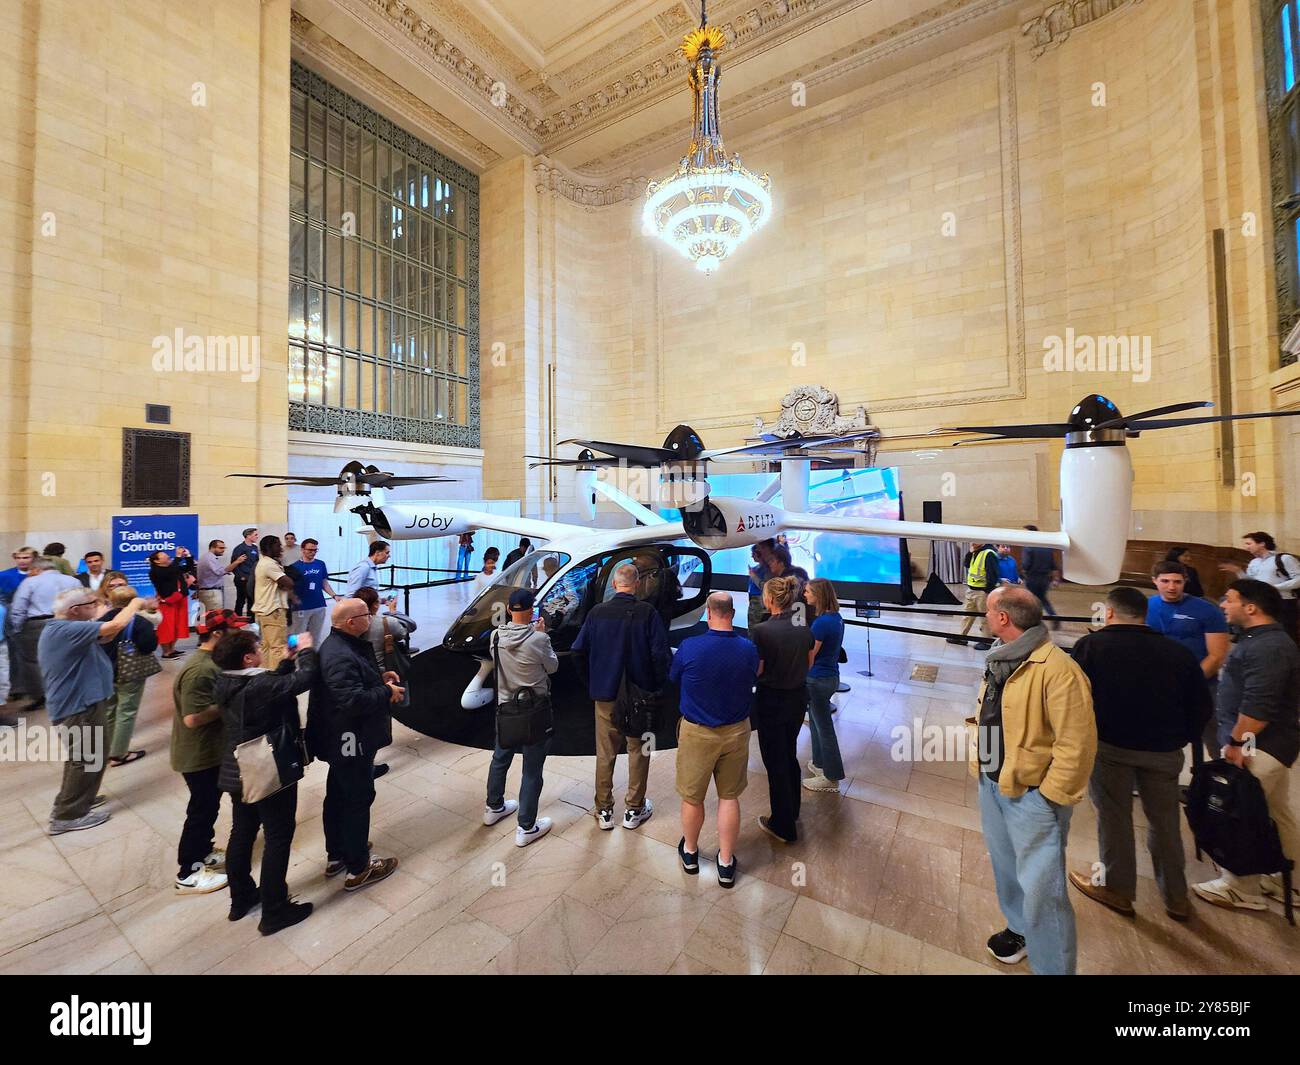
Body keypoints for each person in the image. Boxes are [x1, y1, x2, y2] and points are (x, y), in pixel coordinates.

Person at [970, 585, 1096, 975]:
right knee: (1006, 868)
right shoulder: (1000, 657)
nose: (986, 616)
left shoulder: (1058, 670)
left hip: (1031, 797)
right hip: (993, 782)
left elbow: (1076, 745)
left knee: (1045, 892)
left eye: (990, 611)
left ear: (1003, 618)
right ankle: (1019, 929)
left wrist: (1048, 797)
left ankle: (1054, 968)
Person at [1068, 587, 1211, 921]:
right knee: (1165, 823)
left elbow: (1073, 700)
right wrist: (1178, 737)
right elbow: (1201, 707)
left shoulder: (1091, 647)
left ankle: (1118, 889)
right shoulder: (1178, 654)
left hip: (1110, 749)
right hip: (1163, 751)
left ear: (1109, 613)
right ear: (1145, 615)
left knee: (1114, 818)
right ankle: (1176, 897)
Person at [1192, 580, 1300, 913]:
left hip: (1260, 746)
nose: (1223, 605)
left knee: (1238, 815)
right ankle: (1287, 883)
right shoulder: (1263, 640)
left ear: (1251, 608)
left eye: (1230, 600)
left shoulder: (1267, 647)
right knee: (1276, 812)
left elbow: (1258, 705)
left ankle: (1242, 887)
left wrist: (1239, 743)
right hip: (1272, 744)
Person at [214, 628, 317, 935]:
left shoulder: (226, 680)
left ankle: (241, 898)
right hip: (266, 766)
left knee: (242, 831)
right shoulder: (259, 684)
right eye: (256, 648)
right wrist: (306, 651)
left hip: (237, 769)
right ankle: (274, 910)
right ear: (248, 657)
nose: (260, 651)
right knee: (278, 835)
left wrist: (285, 663)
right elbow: (305, 680)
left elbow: (272, 688)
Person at [306, 598, 403, 891]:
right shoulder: (339, 654)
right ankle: (358, 867)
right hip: (349, 739)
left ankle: (339, 853)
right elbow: (350, 701)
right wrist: (386, 693)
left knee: (338, 794)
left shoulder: (341, 645)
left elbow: (352, 684)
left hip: (342, 739)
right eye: (366, 614)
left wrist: (378, 678)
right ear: (351, 622)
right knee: (357, 797)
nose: (371, 618)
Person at [571, 562, 670, 831]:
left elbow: (578, 652)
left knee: (605, 753)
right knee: (639, 750)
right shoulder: (647, 613)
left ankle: (603, 810)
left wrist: (592, 683)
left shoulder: (597, 613)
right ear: (636, 584)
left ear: (615, 584)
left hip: (605, 695)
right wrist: (657, 686)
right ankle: (634, 810)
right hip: (641, 696)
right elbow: (660, 654)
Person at [40, 588, 146, 834]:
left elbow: (107, 635)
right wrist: (135, 603)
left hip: (85, 702)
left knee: (92, 756)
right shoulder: (65, 629)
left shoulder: (70, 627)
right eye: (92, 603)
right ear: (74, 610)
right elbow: (115, 623)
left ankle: (79, 799)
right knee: (85, 758)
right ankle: (67, 815)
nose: (97, 606)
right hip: (77, 706)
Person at [671, 591, 758, 889]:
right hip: (735, 731)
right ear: (732, 614)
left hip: (697, 732)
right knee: (729, 797)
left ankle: (691, 853)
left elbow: (674, 677)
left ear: (708, 613)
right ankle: (725, 863)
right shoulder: (748, 649)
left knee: (692, 797)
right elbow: (753, 678)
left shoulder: (690, 646)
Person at [172, 609, 248, 896]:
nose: (238, 635)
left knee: (209, 806)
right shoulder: (200, 670)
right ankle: (188, 872)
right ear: (217, 634)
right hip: (198, 755)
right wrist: (234, 701)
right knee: (201, 811)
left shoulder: (213, 661)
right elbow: (192, 718)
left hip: (212, 751)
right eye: (233, 631)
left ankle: (203, 851)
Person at [483, 588, 559, 846]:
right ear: (530, 611)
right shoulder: (538, 639)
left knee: (500, 758)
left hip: (505, 708)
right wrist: (542, 635)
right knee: (532, 769)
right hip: (534, 710)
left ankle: (494, 807)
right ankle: (526, 827)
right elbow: (553, 667)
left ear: (508, 609)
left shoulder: (495, 637)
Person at [750, 575, 815, 843]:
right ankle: (793, 809)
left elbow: (759, 669)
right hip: (797, 698)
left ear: (768, 599)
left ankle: (783, 824)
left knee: (774, 761)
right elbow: (809, 662)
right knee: (789, 754)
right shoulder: (804, 629)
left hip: (771, 701)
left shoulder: (762, 631)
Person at [1146, 560, 1228, 754]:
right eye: (1165, 581)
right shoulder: (1146, 606)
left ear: (1185, 582)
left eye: (1177, 582)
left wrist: (1190, 682)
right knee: (1160, 733)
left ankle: (1224, 774)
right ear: (1154, 581)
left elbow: (1217, 655)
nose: (1171, 587)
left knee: (1214, 733)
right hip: (1159, 684)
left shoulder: (1207, 611)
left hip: (1202, 684)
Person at [9, 558, 82, 710]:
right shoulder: (72, 580)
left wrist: (17, 628)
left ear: (36, 569)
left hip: (37, 624)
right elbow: (84, 602)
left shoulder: (30, 582)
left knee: (32, 661)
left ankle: (41, 697)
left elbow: (18, 607)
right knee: (69, 658)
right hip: (69, 622)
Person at [101, 585, 160, 767]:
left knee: (109, 709)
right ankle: (119, 754)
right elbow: (148, 647)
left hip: (105, 671)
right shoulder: (141, 622)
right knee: (126, 711)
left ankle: (107, 748)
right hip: (129, 673)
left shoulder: (103, 619)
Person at [802, 577, 845, 792]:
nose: (805, 594)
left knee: (824, 728)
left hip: (817, 680)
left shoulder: (821, 623)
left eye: (808, 591)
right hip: (830, 677)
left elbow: (810, 656)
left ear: (818, 595)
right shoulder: (835, 618)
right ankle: (820, 763)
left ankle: (832, 776)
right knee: (818, 724)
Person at [1218, 532, 1300, 644]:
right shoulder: (1254, 562)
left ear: (1261, 544)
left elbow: (1298, 579)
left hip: (1284, 601)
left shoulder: (1284, 558)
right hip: (1262, 602)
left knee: (1287, 631)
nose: (1246, 547)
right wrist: (1238, 571)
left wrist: (1275, 588)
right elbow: (1252, 583)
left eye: (1249, 543)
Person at [250, 535, 294, 669]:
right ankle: (276, 677)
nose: (281, 548)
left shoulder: (262, 562)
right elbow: (289, 583)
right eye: (278, 545)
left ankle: (264, 672)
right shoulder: (269, 564)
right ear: (269, 547)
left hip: (264, 609)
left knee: (266, 645)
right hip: (273, 609)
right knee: (278, 647)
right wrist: (283, 583)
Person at [289, 538, 339, 645]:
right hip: (301, 607)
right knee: (298, 637)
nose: (313, 552)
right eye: (310, 550)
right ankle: (295, 659)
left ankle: (313, 658)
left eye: (315, 550)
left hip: (318, 605)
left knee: (315, 637)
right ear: (302, 550)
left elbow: (324, 583)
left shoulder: (320, 564)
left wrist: (334, 595)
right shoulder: (295, 567)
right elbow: (289, 588)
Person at [950, 542, 1000, 650]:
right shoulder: (976, 551)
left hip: (982, 592)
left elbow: (993, 574)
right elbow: (966, 564)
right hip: (972, 589)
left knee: (985, 617)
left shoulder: (989, 553)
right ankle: (961, 637)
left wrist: (987, 591)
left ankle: (987, 641)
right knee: (967, 615)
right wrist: (970, 552)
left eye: (975, 540)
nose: (972, 542)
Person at [148, 550, 191, 658]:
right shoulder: (155, 571)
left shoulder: (173, 567)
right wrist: (177, 557)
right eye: (164, 556)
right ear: (157, 561)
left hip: (180, 598)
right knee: (166, 626)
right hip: (167, 601)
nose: (168, 556)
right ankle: (166, 652)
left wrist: (188, 556)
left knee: (177, 625)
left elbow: (188, 568)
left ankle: (172, 649)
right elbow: (169, 572)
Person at [1020, 526, 1059, 627]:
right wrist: (1055, 579)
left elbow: (1026, 564)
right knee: (1042, 598)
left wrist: (1024, 572)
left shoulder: (1029, 547)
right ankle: (1053, 615)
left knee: (1032, 600)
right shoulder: (1046, 548)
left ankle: (1032, 621)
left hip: (1032, 577)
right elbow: (1053, 564)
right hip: (1045, 578)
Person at [226, 528, 259, 616]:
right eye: (255, 535)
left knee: (252, 600)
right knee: (241, 600)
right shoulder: (240, 548)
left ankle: (251, 621)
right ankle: (237, 619)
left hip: (252, 578)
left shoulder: (255, 548)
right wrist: (241, 576)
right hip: (242, 579)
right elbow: (234, 565)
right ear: (248, 536)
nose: (257, 536)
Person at [194, 539, 227, 615]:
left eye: (224, 548)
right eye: (221, 548)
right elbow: (220, 572)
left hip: (206, 591)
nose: (223, 550)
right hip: (212, 593)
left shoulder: (205, 557)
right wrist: (236, 562)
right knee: (215, 616)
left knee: (206, 617)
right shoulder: (210, 558)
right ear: (212, 547)